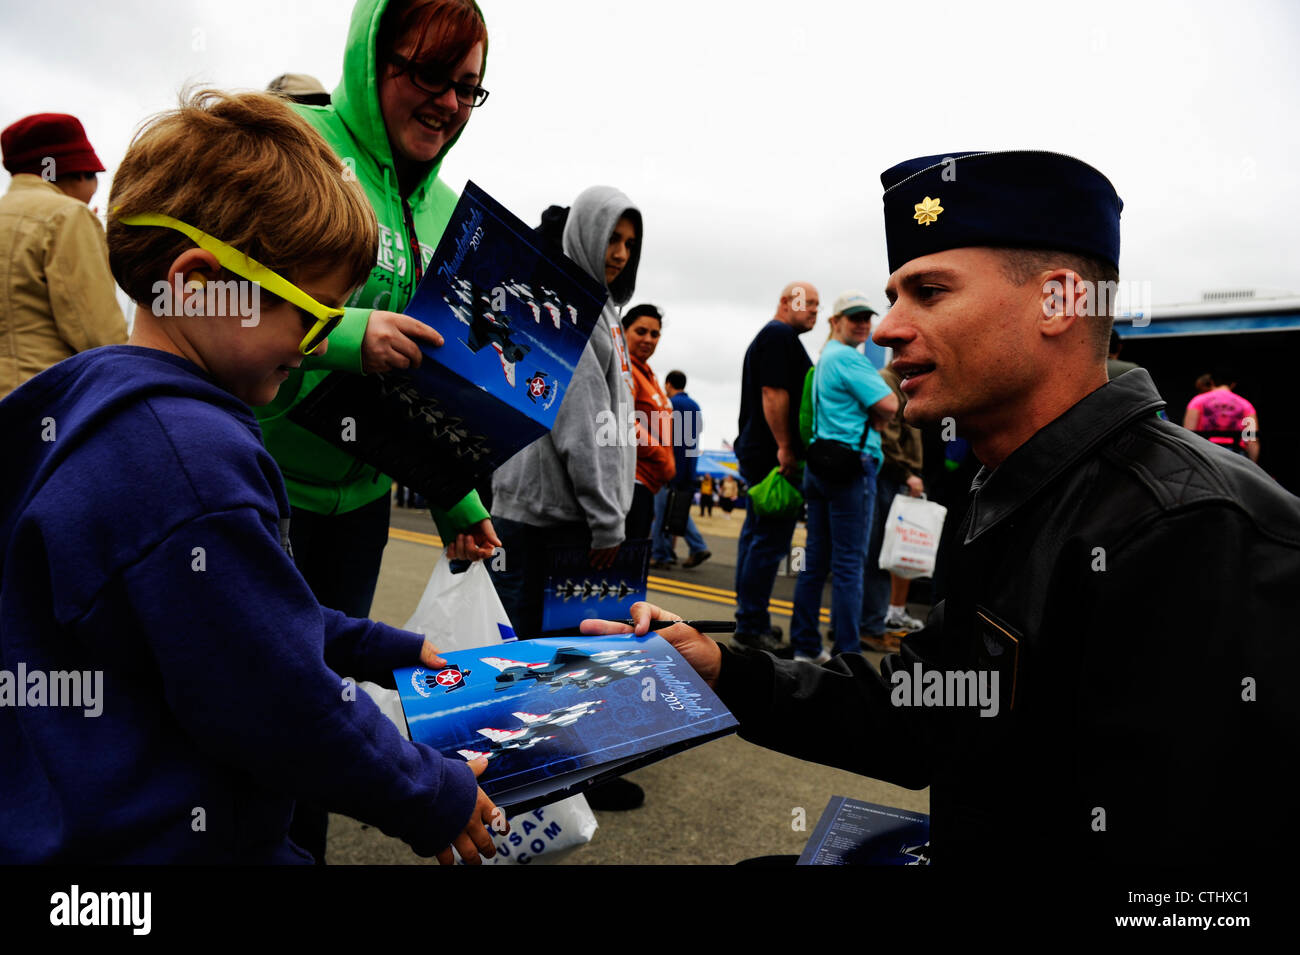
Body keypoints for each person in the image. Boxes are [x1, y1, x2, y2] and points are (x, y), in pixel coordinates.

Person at [586, 150, 1300, 864]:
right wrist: (724, 670)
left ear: (1057, 302)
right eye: (895, 295)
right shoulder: (1016, 482)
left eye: (928, 291)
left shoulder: (1190, 527)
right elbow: (934, 704)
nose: (891, 327)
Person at [0, 90, 503, 864]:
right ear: (200, 283)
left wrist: (378, 646)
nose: (316, 344)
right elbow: (278, 696)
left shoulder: (101, 408)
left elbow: (239, 612)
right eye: (314, 314)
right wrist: (428, 792)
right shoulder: (191, 462)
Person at [254, 0, 499, 624]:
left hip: (365, 506)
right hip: (259, 478)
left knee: (329, 692)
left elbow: (425, 380)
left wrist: (456, 498)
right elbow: (218, 303)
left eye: (467, 89)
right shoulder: (294, 143)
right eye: (429, 74)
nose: (448, 102)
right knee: (244, 697)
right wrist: (346, 335)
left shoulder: (452, 216)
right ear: (373, 60)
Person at [489, 186, 640, 638]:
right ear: (586, 233)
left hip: (554, 517)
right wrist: (608, 519)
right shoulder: (570, 306)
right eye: (612, 238)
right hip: (544, 525)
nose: (620, 254)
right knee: (530, 664)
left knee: (544, 662)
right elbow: (582, 423)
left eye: (630, 244)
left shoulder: (602, 308)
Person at [790, 292, 896, 663]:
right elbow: (890, 404)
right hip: (852, 466)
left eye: (866, 317)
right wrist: (878, 417)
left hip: (820, 464)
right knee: (850, 565)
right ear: (835, 322)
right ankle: (847, 654)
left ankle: (805, 645)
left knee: (815, 561)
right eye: (854, 318)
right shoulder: (850, 358)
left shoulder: (823, 361)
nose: (863, 324)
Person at [1, 113, 127, 399]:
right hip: (40, 405)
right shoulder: (67, 216)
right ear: (78, 172)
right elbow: (98, 336)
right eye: (94, 176)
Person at [732, 282, 818, 652]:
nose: (815, 310)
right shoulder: (780, 336)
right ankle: (751, 626)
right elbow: (773, 393)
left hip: (759, 452)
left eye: (819, 305)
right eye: (808, 302)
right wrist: (785, 447)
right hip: (773, 457)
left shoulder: (773, 337)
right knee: (768, 541)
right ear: (785, 302)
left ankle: (752, 619)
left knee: (755, 537)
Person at [859, 357, 927, 652]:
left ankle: (863, 624)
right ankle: (871, 627)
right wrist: (908, 474)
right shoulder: (887, 380)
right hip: (890, 477)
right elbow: (887, 437)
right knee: (880, 556)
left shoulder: (898, 382)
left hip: (895, 477)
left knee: (879, 555)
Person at [622, 303, 675, 540]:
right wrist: (659, 455)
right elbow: (622, 422)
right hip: (631, 482)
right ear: (623, 331)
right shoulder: (624, 370)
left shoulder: (648, 374)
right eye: (640, 331)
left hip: (647, 487)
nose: (648, 339)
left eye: (654, 334)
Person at [651, 369, 711, 569]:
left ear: (668, 384)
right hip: (688, 466)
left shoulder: (670, 405)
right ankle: (691, 548)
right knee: (676, 510)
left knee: (661, 512)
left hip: (669, 466)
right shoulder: (695, 406)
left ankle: (661, 555)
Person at [1183, 366, 1259, 463]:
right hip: (1236, 458)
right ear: (1233, 384)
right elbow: (1252, 440)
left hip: (1205, 457)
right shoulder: (1246, 405)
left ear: (1212, 381)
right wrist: (1253, 467)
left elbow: (1188, 435)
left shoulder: (1197, 402)